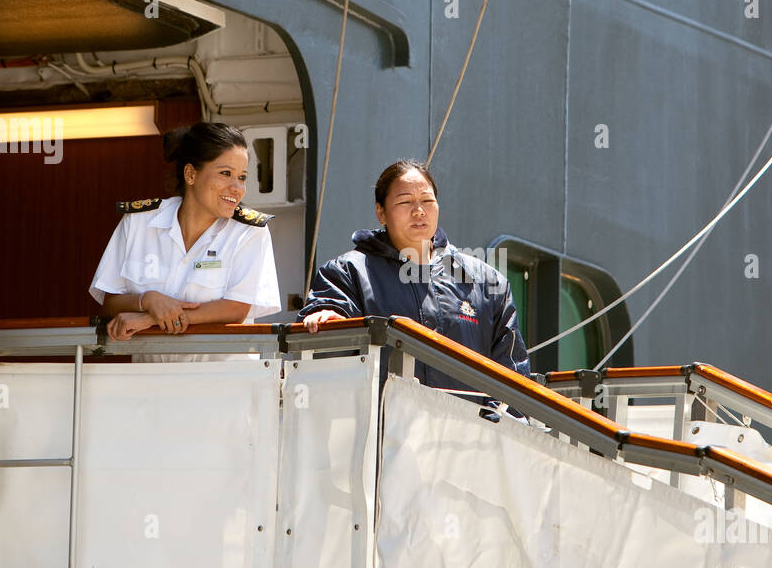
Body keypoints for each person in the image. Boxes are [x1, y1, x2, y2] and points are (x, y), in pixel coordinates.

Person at [299, 160, 530, 394]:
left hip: (467, 428)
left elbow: (512, 372)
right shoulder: (348, 271)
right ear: (381, 212)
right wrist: (325, 319)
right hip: (381, 426)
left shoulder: (486, 281)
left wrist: (492, 425)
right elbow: (325, 325)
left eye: (427, 200)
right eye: (405, 201)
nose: (419, 210)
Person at [89, 122, 280, 356]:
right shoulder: (138, 223)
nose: (237, 188)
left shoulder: (250, 232)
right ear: (190, 174)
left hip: (226, 382)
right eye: (225, 173)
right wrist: (147, 300)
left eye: (242, 177)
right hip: (150, 380)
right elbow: (109, 302)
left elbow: (236, 308)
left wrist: (151, 319)